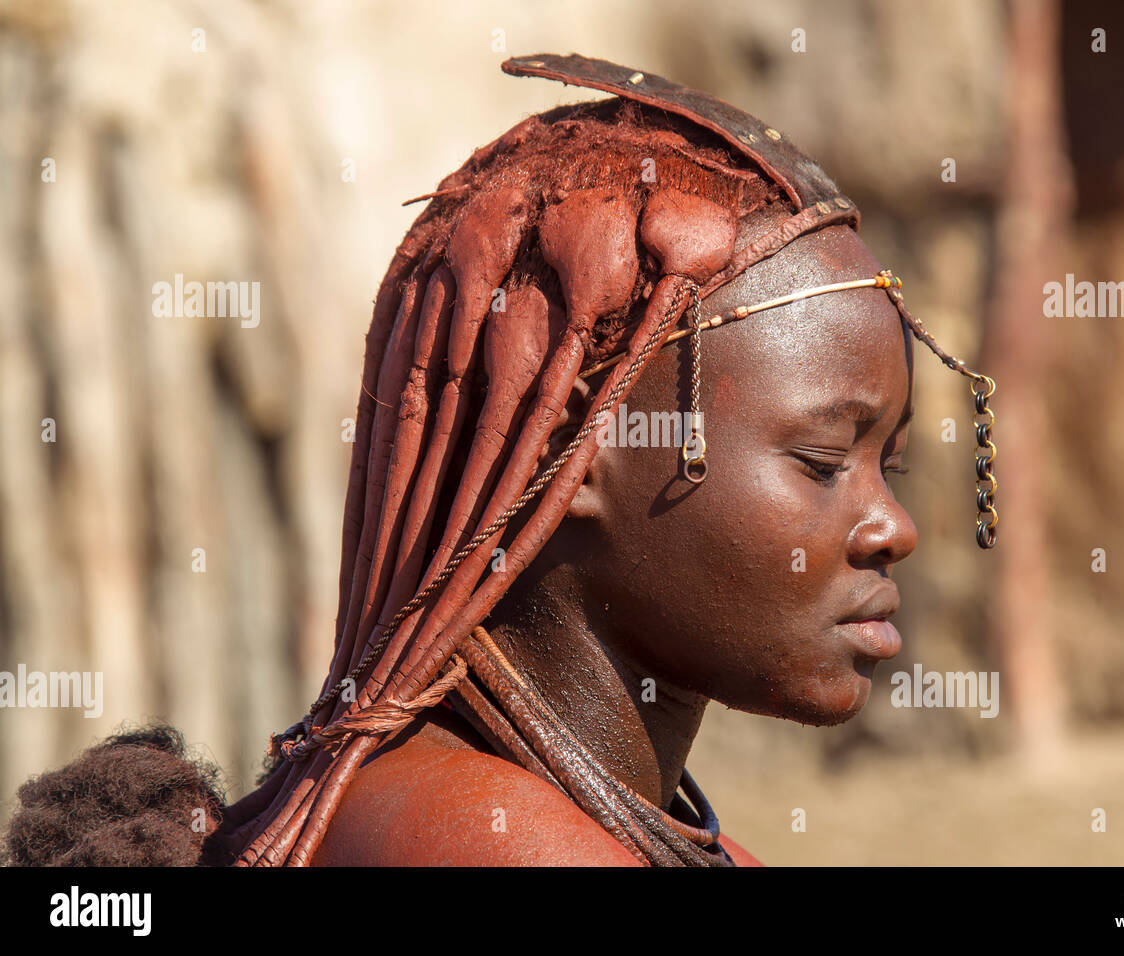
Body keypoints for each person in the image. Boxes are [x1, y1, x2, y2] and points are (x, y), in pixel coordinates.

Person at [2, 54, 997, 868]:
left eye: (890, 466)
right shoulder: (485, 842)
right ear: (586, 452)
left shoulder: (633, 835)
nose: (891, 526)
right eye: (825, 458)